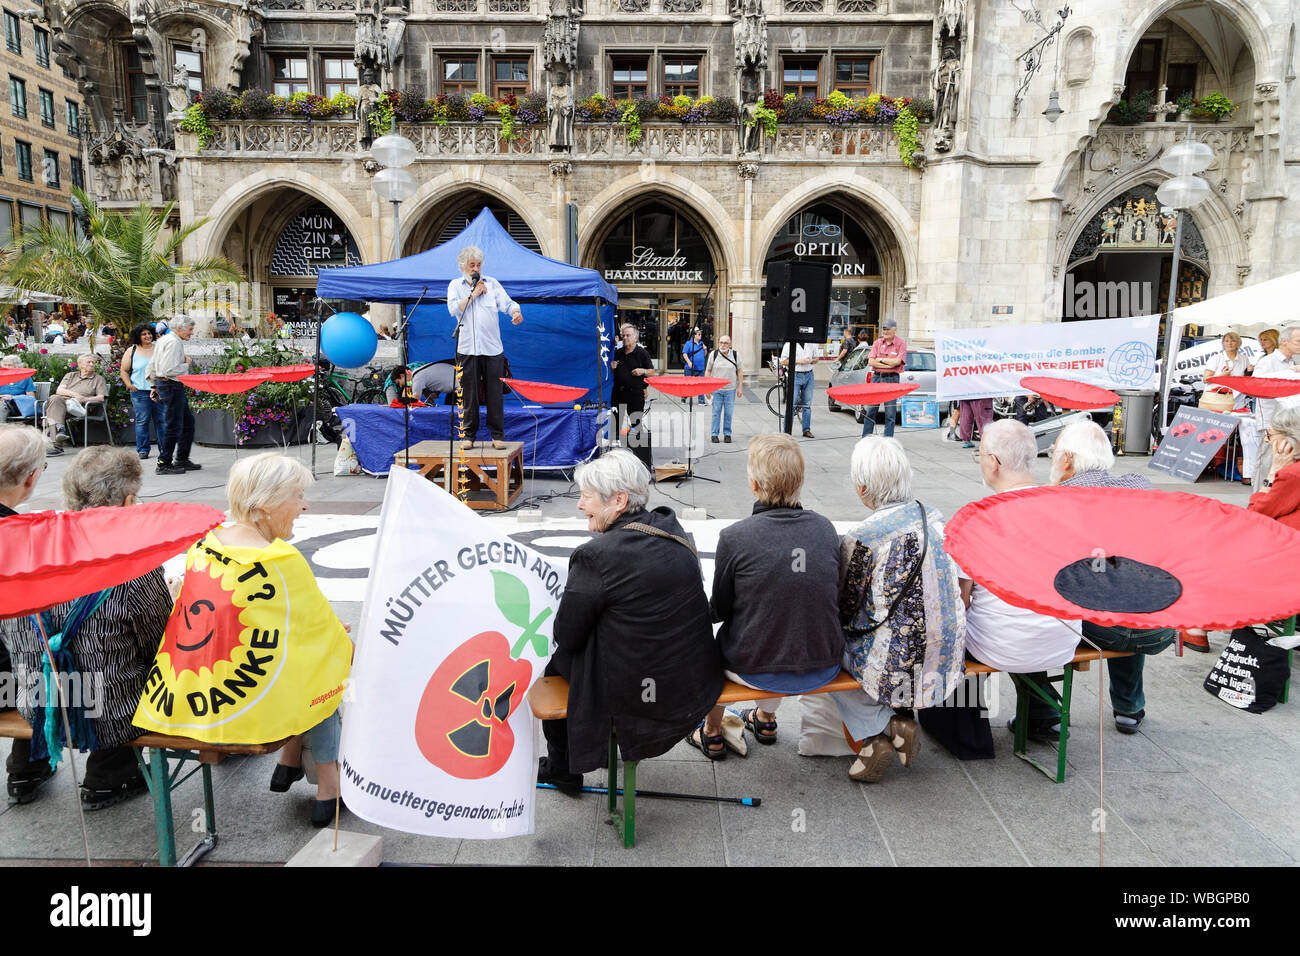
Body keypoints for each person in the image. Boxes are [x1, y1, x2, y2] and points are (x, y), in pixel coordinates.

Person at [538, 450, 722, 793]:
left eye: (586, 497)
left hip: (640, 691)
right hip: (690, 682)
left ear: (619, 500)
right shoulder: (672, 530)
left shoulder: (595, 557)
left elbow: (568, 635)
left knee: (555, 668)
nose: (580, 505)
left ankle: (563, 769)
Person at [1, 447, 173, 808]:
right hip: (109, 713)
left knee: (43, 665)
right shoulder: (133, 567)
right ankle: (107, 777)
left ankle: (24, 766)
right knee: (134, 670)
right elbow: (160, 646)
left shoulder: (22, 550)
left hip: (34, 700)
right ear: (128, 501)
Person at [205, 453, 352, 826]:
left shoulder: (207, 545)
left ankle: (288, 760)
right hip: (254, 699)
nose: (304, 505)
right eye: (296, 495)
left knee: (305, 660)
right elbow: (326, 639)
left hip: (214, 689)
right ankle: (328, 784)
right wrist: (334, 634)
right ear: (266, 504)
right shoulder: (279, 558)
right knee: (328, 671)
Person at [829, 436, 966, 782]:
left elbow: (844, 607)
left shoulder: (862, 538)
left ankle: (879, 732)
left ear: (862, 488)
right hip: (948, 662)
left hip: (897, 671)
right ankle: (901, 721)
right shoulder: (937, 522)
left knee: (824, 656)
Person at [695, 434, 841, 757]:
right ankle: (765, 718)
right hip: (822, 662)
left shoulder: (735, 537)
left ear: (755, 485)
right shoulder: (825, 529)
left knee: (717, 648)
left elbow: (718, 610)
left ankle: (713, 732)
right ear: (799, 481)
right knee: (783, 624)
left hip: (756, 666)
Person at [1040, 420, 1177, 734]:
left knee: (1025, 616)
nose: (1051, 460)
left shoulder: (1058, 502)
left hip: (1098, 628)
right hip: (1157, 627)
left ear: (1068, 460)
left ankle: (1041, 710)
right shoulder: (1138, 486)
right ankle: (1129, 709)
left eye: (1053, 453)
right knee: (1128, 593)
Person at [959, 419, 1081, 740]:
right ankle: (1042, 713)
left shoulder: (977, 517)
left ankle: (968, 729)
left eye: (981, 455)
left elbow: (962, 599)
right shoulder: (1070, 508)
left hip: (1002, 644)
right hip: (1063, 639)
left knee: (964, 625)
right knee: (1027, 615)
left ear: (993, 463)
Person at [0, 425, 57, 803]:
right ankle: (112, 769)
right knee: (91, 647)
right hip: (11, 686)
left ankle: (27, 766)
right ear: (31, 478)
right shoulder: (18, 539)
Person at [446, 245, 523, 451]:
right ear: (462, 266)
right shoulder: (455, 285)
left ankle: (497, 435)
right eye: (472, 265)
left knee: (494, 394)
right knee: (468, 394)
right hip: (467, 348)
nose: (476, 268)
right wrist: (473, 294)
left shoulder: (492, 283)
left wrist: (515, 312)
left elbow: (507, 303)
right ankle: (468, 435)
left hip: (492, 348)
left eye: (478, 264)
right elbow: (453, 308)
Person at [146, 315, 202, 476]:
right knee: (174, 424)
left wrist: (153, 385)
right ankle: (164, 462)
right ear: (180, 328)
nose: (191, 333)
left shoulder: (164, 339)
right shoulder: (174, 342)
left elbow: (153, 364)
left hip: (167, 385)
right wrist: (187, 365)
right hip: (171, 385)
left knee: (186, 422)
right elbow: (168, 369)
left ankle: (181, 458)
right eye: (190, 329)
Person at [1250, 326, 1300, 491]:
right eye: (1298, 341)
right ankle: (1257, 501)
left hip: (1288, 423)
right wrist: (1284, 376)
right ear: (1284, 342)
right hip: (1270, 423)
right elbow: (1255, 388)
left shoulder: (1293, 362)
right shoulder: (1268, 362)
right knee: (1266, 463)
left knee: (1282, 464)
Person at [608, 323, 654, 472]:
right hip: (618, 393)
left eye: (628, 335)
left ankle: (636, 459)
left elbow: (652, 372)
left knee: (635, 424)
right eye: (623, 335)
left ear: (635, 337)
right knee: (615, 424)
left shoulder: (642, 353)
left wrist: (642, 371)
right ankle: (613, 458)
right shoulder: (618, 352)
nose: (625, 338)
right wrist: (613, 367)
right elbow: (613, 370)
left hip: (635, 393)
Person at [1250, 406, 1300, 533]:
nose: (1266, 439)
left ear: (1290, 439)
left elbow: (1253, 515)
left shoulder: (1292, 474)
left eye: (1269, 434)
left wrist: (1273, 472)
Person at [44, 353, 107, 453]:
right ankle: (59, 432)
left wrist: (83, 399)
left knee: (53, 408)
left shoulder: (98, 379)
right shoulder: (70, 375)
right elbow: (59, 390)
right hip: (64, 404)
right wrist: (75, 395)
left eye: (93, 362)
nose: (92, 364)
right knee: (56, 399)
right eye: (89, 362)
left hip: (81, 407)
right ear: (80, 364)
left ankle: (56, 441)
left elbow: (101, 398)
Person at [120, 323, 163, 460]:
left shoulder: (159, 349)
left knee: (161, 421)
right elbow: (124, 370)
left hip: (159, 390)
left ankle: (164, 448)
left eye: (149, 333)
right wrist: (129, 385)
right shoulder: (132, 350)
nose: (147, 336)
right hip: (139, 392)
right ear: (138, 336)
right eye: (144, 334)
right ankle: (143, 449)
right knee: (142, 421)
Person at [862, 318, 907, 438]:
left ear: (895, 330)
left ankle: (888, 439)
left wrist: (880, 359)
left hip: (891, 379)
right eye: (884, 329)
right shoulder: (877, 343)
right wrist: (889, 363)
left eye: (888, 329)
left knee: (890, 413)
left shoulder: (901, 344)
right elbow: (871, 361)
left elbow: (897, 362)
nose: (885, 331)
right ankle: (866, 438)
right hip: (876, 377)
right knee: (871, 410)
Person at [705, 334, 742, 443]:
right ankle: (714, 434)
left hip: (730, 389)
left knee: (728, 413)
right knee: (716, 412)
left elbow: (739, 371)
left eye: (726, 343)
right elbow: (708, 371)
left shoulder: (735, 355)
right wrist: (707, 388)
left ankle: (727, 434)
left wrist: (740, 387)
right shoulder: (714, 354)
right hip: (716, 389)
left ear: (730, 344)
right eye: (721, 342)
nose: (723, 345)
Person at [779, 340, 818, 438]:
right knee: (792, 404)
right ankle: (787, 431)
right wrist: (799, 361)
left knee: (807, 405)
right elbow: (783, 361)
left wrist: (811, 361)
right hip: (795, 375)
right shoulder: (789, 344)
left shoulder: (811, 342)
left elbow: (817, 359)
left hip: (809, 374)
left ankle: (806, 430)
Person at [1202, 332, 1250, 411]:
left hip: (1237, 401)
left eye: (1233, 341)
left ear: (1238, 343)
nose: (1229, 343)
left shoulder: (1244, 359)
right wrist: (1221, 376)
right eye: (1226, 341)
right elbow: (1205, 379)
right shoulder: (1216, 358)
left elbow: (1246, 378)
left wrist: (1250, 371)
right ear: (1223, 343)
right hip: (1216, 401)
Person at [0, 354, 35, 425]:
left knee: (1, 405)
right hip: (2, 402)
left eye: (9, 365)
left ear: (17, 366)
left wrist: (13, 397)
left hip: (17, 406)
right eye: (5, 365)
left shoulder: (25, 378)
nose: (6, 367)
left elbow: (31, 398)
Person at [682, 327, 709, 404]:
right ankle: (684, 397)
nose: (700, 335)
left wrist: (705, 349)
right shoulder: (688, 344)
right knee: (688, 384)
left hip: (700, 368)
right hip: (690, 368)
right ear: (694, 335)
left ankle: (701, 401)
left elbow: (704, 355)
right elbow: (684, 354)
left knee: (700, 384)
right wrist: (689, 362)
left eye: (701, 334)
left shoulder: (701, 343)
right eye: (698, 334)